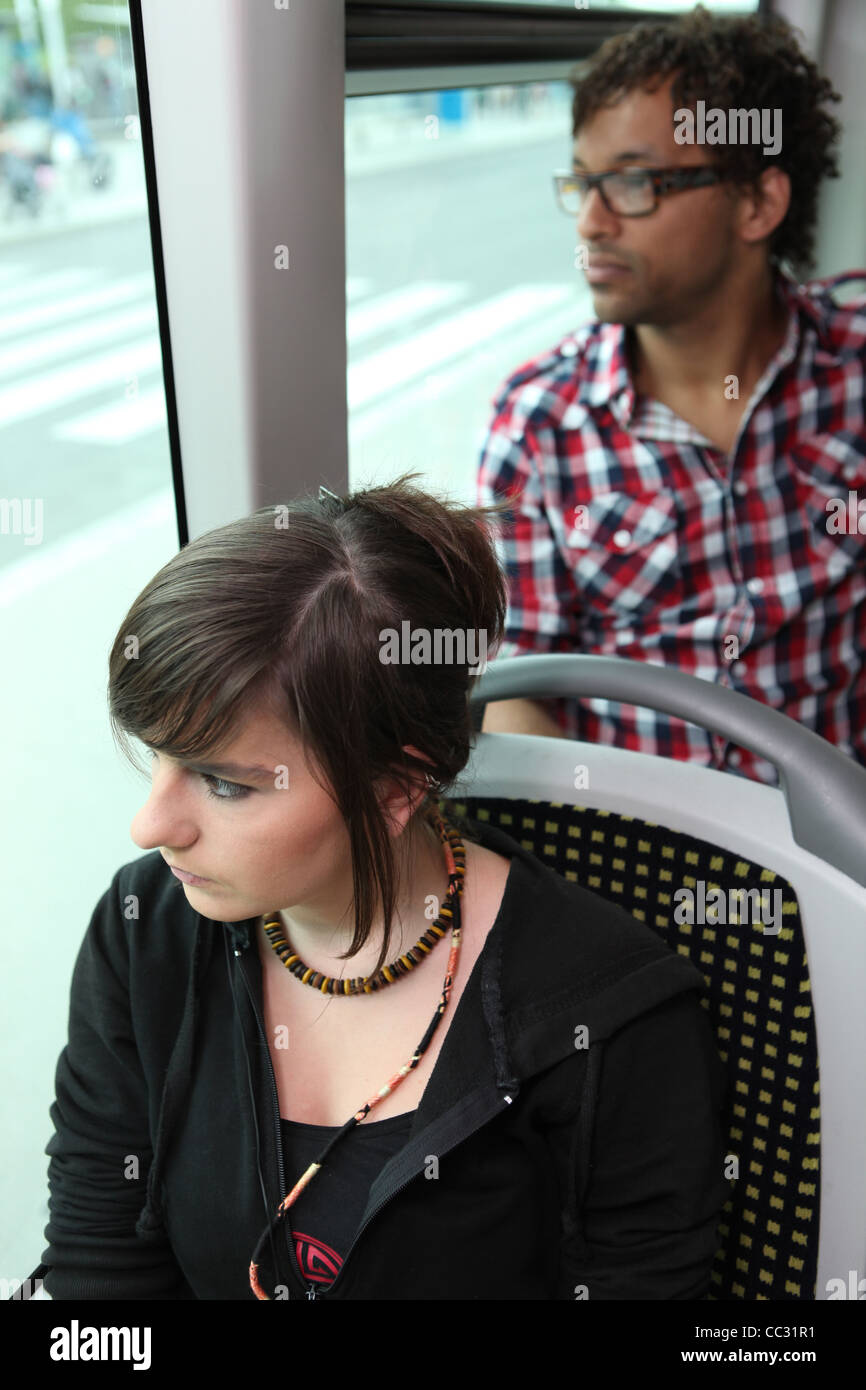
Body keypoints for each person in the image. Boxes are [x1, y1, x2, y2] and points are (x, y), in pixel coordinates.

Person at [40, 477, 728, 1299]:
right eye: (157, 759)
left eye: (224, 785)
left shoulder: (606, 1018)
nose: (150, 828)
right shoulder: (144, 929)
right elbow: (101, 1270)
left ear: (396, 790)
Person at [478, 5, 865, 788]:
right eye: (584, 183)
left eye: (634, 182)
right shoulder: (541, 425)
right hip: (650, 856)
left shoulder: (854, 362)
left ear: (758, 203)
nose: (592, 222)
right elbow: (521, 693)